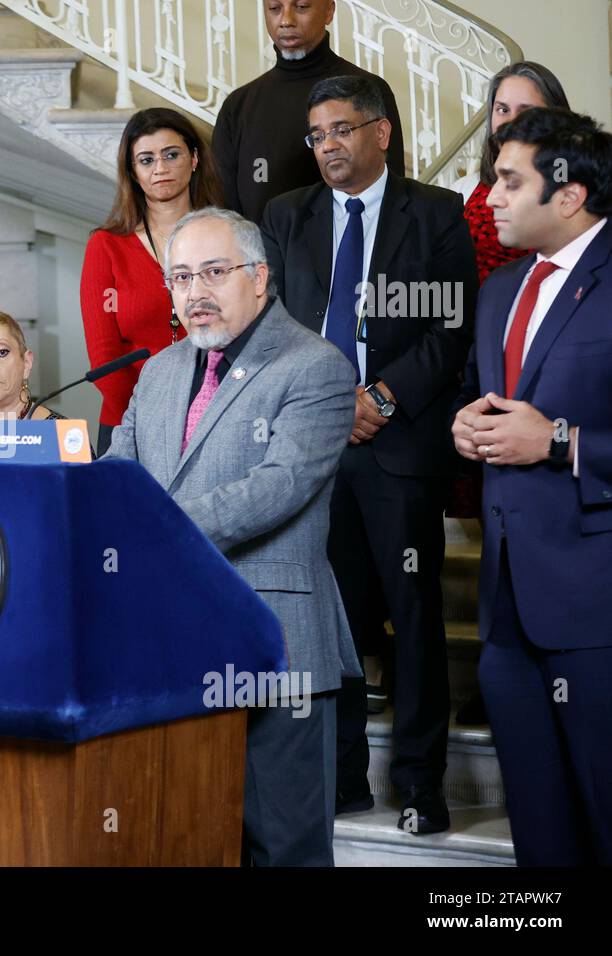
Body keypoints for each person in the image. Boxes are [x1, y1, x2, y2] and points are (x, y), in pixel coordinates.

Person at [105, 207, 358, 866]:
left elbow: (275, 490)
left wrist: (147, 529)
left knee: (284, 848)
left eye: (214, 273)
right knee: (188, 839)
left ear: (259, 277)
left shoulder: (315, 365)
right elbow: (117, 474)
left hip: (273, 644)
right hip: (168, 648)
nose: (195, 293)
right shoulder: (158, 371)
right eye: (181, 277)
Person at [260, 75, 478, 834]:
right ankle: (343, 778)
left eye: (342, 130)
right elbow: (272, 327)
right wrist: (323, 405)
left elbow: (451, 328)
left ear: (380, 132)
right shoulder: (286, 216)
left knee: (415, 620)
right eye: (317, 136)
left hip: (399, 448)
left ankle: (421, 786)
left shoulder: (437, 215)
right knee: (336, 624)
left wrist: (380, 398)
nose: (329, 147)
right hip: (315, 453)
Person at [452, 108, 612, 866]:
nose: (489, 198)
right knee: (540, 843)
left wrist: (556, 440)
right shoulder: (498, 291)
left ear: (571, 193)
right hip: (506, 614)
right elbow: (506, 411)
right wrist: (472, 429)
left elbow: (548, 429)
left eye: (509, 182)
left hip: (597, 614)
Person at [80, 108, 222, 455]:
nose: (160, 168)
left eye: (171, 154)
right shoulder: (106, 245)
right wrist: (150, 417)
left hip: (215, 417)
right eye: (146, 160)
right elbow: (103, 358)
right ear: (133, 172)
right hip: (129, 424)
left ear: (194, 159)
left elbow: (243, 333)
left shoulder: (227, 237)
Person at [213, 0, 405, 224]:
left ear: (329, 11)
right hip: (261, 256)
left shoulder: (366, 91)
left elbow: (393, 192)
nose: (286, 21)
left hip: (349, 251)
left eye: (302, 7)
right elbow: (222, 207)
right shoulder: (238, 106)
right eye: (275, 8)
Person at [451, 62, 569, 285]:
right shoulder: (462, 189)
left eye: (527, 112)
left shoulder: (572, 186)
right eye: (503, 110)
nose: (512, 122)